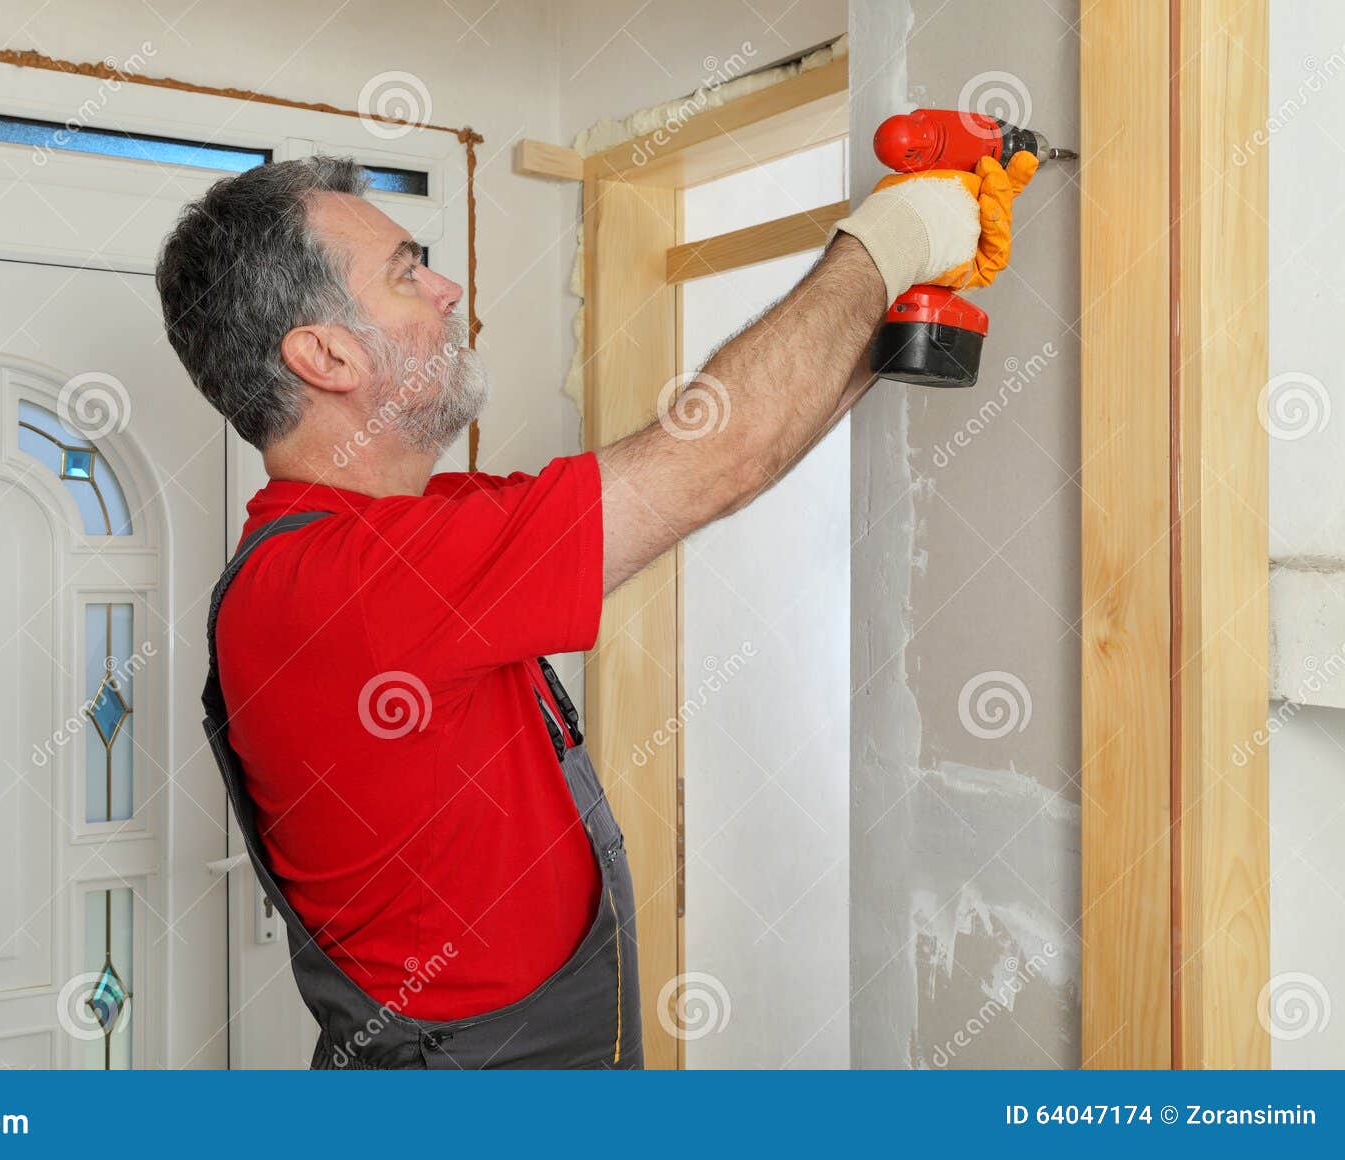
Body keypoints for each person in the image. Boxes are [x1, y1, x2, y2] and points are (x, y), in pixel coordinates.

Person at [156, 149, 1036, 1068]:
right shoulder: (349, 583)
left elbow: (730, 467)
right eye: (408, 272)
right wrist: (888, 239)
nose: (448, 289)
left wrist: (893, 305)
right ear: (325, 355)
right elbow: (718, 454)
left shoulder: (420, 530)